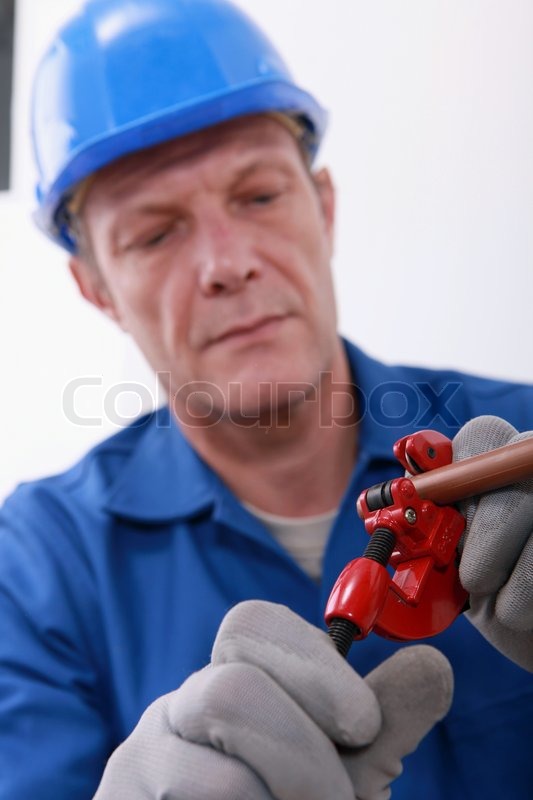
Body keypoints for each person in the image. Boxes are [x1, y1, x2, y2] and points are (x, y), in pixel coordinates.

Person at [1, 0, 532, 798]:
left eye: (257, 197)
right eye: (155, 233)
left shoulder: (514, 445)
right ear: (97, 288)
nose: (228, 262)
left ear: (322, 207)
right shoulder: (34, 572)